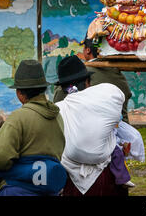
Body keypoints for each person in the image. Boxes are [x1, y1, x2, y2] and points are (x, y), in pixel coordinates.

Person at [0, 60, 66, 196]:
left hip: (19, 189)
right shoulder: (57, 117)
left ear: (19, 93)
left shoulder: (18, 118)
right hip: (50, 188)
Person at [55, 55, 134, 196]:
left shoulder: (58, 110)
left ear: (63, 88)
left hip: (73, 183)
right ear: (87, 82)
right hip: (106, 178)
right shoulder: (106, 101)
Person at [53, 35, 132, 123]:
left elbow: (58, 98)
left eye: (83, 48)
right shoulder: (117, 73)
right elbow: (127, 94)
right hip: (123, 127)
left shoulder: (81, 75)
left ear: (88, 50)